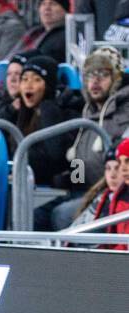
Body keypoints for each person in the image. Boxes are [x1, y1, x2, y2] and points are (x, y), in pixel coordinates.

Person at [50, 46, 129, 227]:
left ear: (116, 78)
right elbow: (80, 156)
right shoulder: (87, 112)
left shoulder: (124, 112)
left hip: (110, 191)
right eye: (90, 75)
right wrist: (73, 179)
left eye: (102, 74)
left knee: (61, 215)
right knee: (38, 215)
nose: (95, 81)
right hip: (82, 190)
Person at [0, 54, 79, 225]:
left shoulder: (59, 111)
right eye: (24, 79)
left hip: (48, 186)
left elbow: (55, 156)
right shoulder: (19, 111)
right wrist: (10, 110)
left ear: (47, 85)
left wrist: (48, 111)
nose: (29, 85)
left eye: (36, 80)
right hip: (21, 183)